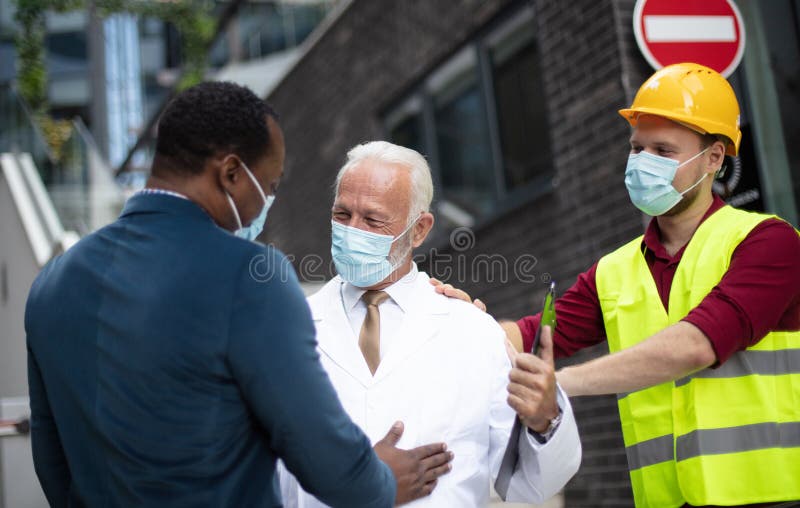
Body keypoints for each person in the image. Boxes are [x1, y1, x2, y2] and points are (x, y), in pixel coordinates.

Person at [25, 82, 453, 507]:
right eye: (268, 186)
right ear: (231, 174)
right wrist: (380, 480)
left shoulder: (52, 283)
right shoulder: (249, 278)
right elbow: (322, 456)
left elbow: (51, 459)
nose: (266, 202)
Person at [438, 62, 800, 507]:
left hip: (774, 495)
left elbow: (697, 345)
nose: (643, 163)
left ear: (714, 158)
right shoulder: (612, 271)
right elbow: (534, 337)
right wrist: (463, 324)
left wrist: (559, 386)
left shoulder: (770, 242)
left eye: (663, 151)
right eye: (637, 148)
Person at [278, 141, 582, 507]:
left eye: (372, 219)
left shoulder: (473, 333)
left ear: (419, 230)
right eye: (342, 215)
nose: (352, 230)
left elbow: (530, 485)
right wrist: (359, 481)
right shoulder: (285, 331)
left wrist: (546, 419)